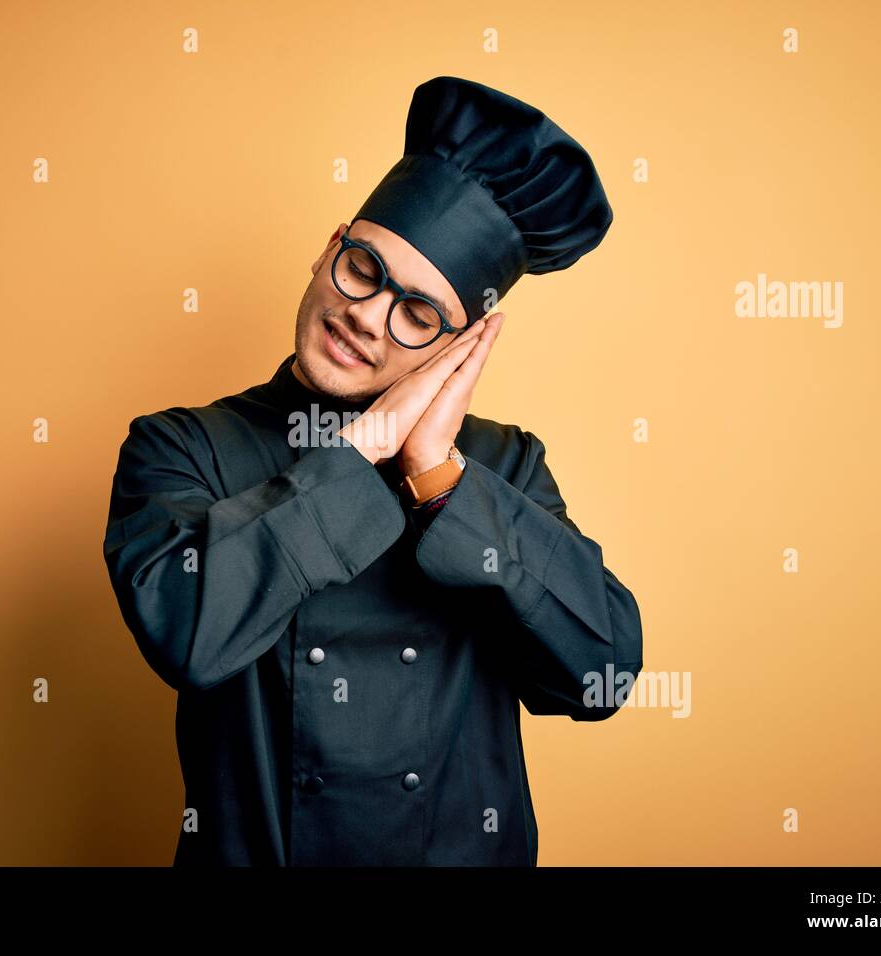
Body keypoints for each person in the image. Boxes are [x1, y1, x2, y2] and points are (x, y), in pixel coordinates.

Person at [103, 76, 643, 866]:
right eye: (363, 269)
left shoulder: (504, 465)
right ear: (329, 250)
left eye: (419, 314)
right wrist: (365, 446)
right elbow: (184, 631)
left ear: (456, 347)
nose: (367, 314)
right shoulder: (183, 447)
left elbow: (601, 675)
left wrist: (439, 476)